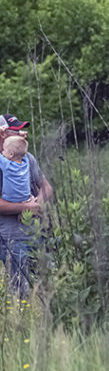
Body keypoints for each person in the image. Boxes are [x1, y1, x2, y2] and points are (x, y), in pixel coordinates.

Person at [0, 114, 54, 297]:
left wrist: (35, 204)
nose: (23, 133)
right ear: (2, 134)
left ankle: (52, 321)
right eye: (16, 130)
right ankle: (20, 322)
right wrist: (24, 208)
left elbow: (46, 188)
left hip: (36, 232)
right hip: (10, 238)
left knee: (49, 282)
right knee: (19, 289)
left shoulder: (27, 158)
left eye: (22, 129)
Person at [0, 133, 33, 204]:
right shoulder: (25, 162)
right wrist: (21, 139)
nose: (2, 152)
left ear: (11, 154)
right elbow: (21, 150)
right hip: (26, 197)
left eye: (4, 150)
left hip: (10, 199)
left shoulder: (7, 165)